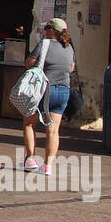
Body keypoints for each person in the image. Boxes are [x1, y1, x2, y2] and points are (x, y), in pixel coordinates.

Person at [21, 18, 77, 176]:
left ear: (52, 30)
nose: (45, 30)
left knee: (29, 124)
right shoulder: (69, 47)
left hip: (44, 90)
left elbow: (28, 63)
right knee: (53, 131)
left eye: (47, 27)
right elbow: (71, 68)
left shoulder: (44, 44)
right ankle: (48, 166)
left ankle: (30, 159)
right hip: (63, 91)